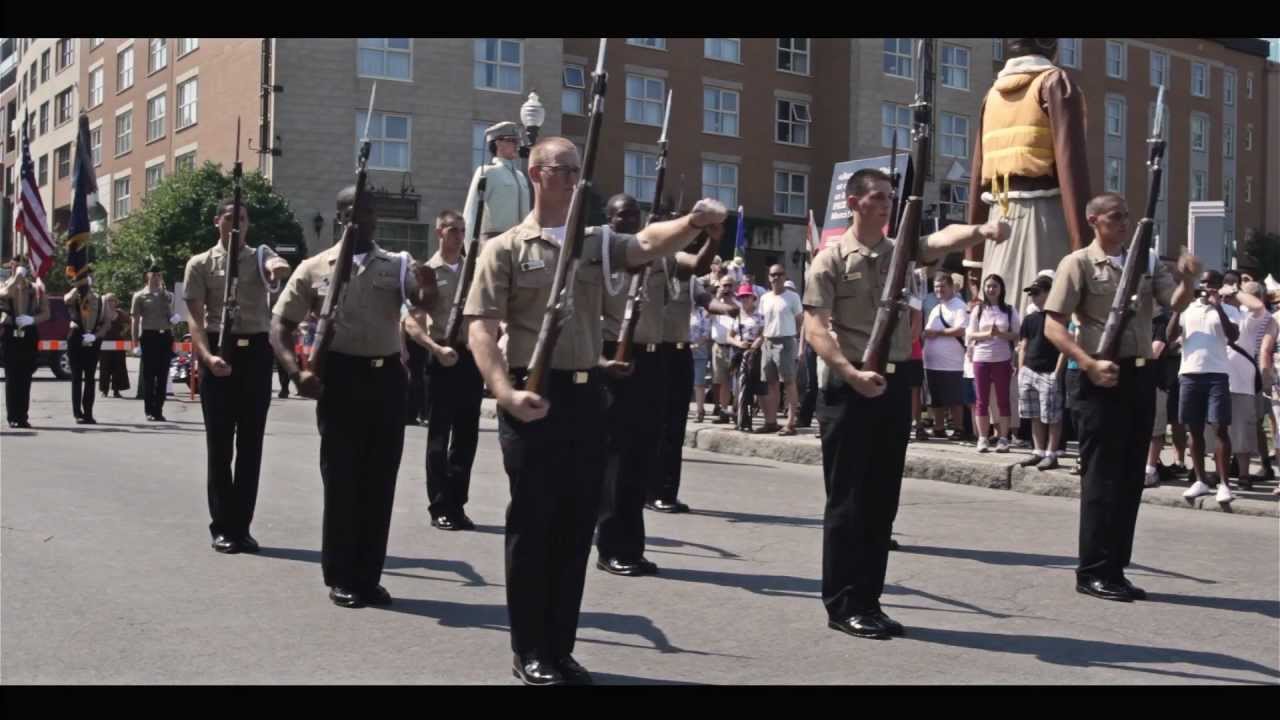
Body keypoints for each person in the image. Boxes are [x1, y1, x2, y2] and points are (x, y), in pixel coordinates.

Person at [462, 136, 726, 685]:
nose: (575, 179)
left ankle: (560, 646)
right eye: (564, 170)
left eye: (579, 170)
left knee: (577, 525)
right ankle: (530, 649)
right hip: (532, 396)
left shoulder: (595, 243)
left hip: (586, 396)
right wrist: (503, 394)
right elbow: (481, 328)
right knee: (534, 526)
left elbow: (647, 242)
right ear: (537, 174)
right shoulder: (507, 248)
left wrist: (693, 222)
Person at [804, 167, 1009, 639]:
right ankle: (842, 602)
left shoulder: (900, 253)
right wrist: (850, 373)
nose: (886, 203)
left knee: (881, 501)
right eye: (877, 196)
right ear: (854, 202)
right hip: (848, 386)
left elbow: (941, 240)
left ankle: (869, 600)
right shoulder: (830, 259)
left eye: (890, 197)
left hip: (895, 385)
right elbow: (815, 327)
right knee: (847, 501)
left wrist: (980, 228)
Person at [270, 184, 438, 607]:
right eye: (348, 210)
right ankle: (341, 574)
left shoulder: (397, 264)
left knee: (380, 481)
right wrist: (296, 371)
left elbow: (421, 301)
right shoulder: (314, 267)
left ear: (375, 215)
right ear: (339, 214)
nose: (356, 218)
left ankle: (369, 575)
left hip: (385, 382)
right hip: (340, 379)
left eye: (364, 210)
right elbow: (280, 326)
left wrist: (428, 287)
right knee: (342, 479)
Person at [1043, 192, 1198, 602]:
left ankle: (1115, 567)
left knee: (1130, 477)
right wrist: (1087, 363)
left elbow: (1175, 303)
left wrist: (1189, 279)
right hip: (1100, 376)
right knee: (1101, 477)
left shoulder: (1143, 261)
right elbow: (1054, 327)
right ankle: (1092, 569)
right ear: (1094, 220)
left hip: (1140, 376)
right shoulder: (1076, 263)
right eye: (1116, 217)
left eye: (1127, 217)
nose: (1124, 223)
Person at [184, 198, 292, 554]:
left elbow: (279, 266)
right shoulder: (200, 264)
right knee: (219, 446)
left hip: (256, 353)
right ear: (218, 221)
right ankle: (222, 525)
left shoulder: (259, 256)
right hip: (219, 350)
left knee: (251, 445)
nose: (237, 224)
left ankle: (242, 525)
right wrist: (208, 357)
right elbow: (195, 320)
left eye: (243, 219)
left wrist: (277, 267)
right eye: (230, 218)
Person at [966, 37, 1090, 308]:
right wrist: (1086, 246)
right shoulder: (1055, 83)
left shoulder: (992, 95)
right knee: (1046, 308)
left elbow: (976, 176)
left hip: (998, 216)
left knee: (999, 307)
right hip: (1045, 215)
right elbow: (1072, 166)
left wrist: (973, 255)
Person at [597, 193, 667, 573]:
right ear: (609, 220)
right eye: (623, 215)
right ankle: (610, 547)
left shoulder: (651, 255)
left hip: (651, 360)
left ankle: (632, 546)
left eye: (635, 215)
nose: (630, 221)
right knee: (617, 459)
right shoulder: (601, 260)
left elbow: (692, 267)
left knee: (641, 456)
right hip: (615, 358)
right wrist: (602, 360)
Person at [411, 209, 484, 531]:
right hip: (443, 356)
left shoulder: (476, 270)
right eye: (452, 229)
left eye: (462, 230)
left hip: (471, 358)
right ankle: (439, 504)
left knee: (467, 437)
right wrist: (435, 348)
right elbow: (411, 321)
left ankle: (458, 503)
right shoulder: (427, 271)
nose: (458, 235)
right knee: (440, 437)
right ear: (439, 232)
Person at [651, 227, 715, 514]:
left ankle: (666, 491)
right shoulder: (650, 268)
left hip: (681, 352)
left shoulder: (690, 281)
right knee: (652, 426)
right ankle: (646, 489)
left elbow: (706, 300)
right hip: (655, 353)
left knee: (675, 428)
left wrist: (725, 308)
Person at [1171, 270, 1238, 505]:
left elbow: (1233, 335)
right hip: (1189, 374)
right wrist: (1178, 308)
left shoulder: (1228, 310)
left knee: (1220, 427)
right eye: (1204, 282)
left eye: (1212, 283)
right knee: (1194, 429)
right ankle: (1199, 480)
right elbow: (1170, 336)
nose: (1206, 285)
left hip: (1217, 375)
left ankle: (1224, 484)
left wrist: (1217, 305)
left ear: (1220, 287)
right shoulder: (1188, 309)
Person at [1219, 280, 1274, 494]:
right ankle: (1219, 473)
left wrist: (1235, 291)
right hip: (1219, 379)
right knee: (1219, 430)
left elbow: (1258, 306)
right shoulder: (1221, 312)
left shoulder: (1250, 317)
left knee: (1243, 431)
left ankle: (1244, 474)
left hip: (1243, 382)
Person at [1015, 275, 1063, 469]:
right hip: (1030, 371)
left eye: (1037, 293)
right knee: (1034, 414)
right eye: (1031, 294)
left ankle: (1051, 453)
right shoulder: (1029, 319)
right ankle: (1038, 451)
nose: (1033, 297)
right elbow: (1023, 345)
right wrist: (1021, 370)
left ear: (1049, 293)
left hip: (1049, 372)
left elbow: (1063, 347)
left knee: (1052, 415)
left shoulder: (1058, 317)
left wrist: (1057, 373)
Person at [968, 273, 1020, 452]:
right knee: (981, 400)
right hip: (981, 358)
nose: (991, 289)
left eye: (995, 286)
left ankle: (1004, 438)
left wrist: (1000, 334)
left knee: (1003, 399)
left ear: (1001, 289)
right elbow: (971, 334)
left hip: (1002, 358)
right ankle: (983, 437)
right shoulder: (978, 309)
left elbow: (1016, 335)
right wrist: (987, 334)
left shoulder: (1010, 310)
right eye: (988, 286)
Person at [0, 257, 49, 428]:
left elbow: (46, 312)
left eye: (23, 267)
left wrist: (32, 320)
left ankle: (23, 416)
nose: (19, 269)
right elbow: (4, 295)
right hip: (10, 335)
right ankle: (13, 416)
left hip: (28, 334)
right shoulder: (4, 285)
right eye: (15, 266)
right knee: (12, 377)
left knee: (25, 377)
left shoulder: (35, 289)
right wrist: (16, 279)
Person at [463, 121, 532, 240]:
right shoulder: (487, 172)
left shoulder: (521, 176)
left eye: (518, 141)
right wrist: (470, 253)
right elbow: (471, 213)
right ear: (498, 143)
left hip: (520, 242)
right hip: (494, 243)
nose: (517, 145)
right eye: (512, 141)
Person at [131, 263, 181, 421]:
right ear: (147, 276)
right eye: (154, 275)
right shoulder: (140, 296)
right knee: (149, 375)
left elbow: (172, 313)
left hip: (165, 337)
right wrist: (135, 344)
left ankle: (158, 410)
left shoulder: (166, 295)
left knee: (163, 375)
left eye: (159, 275)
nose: (156, 278)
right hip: (149, 336)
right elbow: (135, 320)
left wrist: (174, 319)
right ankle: (149, 410)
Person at [923, 272, 969, 439]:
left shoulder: (959, 306)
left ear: (951, 287)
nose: (939, 290)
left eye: (942, 286)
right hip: (932, 362)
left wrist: (937, 333)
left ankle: (958, 428)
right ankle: (939, 427)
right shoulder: (936, 308)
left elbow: (961, 329)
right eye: (936, 286)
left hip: (952, 363)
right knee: (936, 399)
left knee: (955, 398)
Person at [759, 264, 804, 435]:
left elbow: (800, 320)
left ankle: (791, 423)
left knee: (789, 382)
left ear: (785, 276)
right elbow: (762, 321)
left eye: (779, 274)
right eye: (773, 274)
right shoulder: (765, 298)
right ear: (769, 277)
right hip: (767, 341)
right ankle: (771, 422)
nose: (776, 277)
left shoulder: (792, 297)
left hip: (785, 341)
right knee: (771, 383)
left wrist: (794, 338)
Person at [64, 272, 111, 424]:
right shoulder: (74, 296)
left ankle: (88, 413)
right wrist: (78, 286)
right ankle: (77, 413)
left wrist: (96, 336)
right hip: (76, 338)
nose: (86, 282)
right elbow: (66, 300)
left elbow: (106, 323)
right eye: (83, 280)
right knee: (76, 377)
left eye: (88, 279)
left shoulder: (100, 299)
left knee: (90, 378)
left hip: (92, 339)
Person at [731, 285, 765, 432]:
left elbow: (764, 334)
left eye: (747, 296)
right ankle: (740, 419)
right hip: (740, 352)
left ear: (753, 298)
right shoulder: (737, 316)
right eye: (742, 297)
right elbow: (729, 336)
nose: (744, 299)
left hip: (754, 353)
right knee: (740, 387)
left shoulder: (760, 317)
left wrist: (758, 342)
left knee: (751, 387)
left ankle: (747, 420)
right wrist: (739, 343)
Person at [708, 276, 739, 424]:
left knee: (738, 382)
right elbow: (707, 317)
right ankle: (724, 412)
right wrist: (717, 298)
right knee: (723, 382)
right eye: (724, 285)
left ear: (734, 287)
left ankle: (738, 411)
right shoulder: (715, 304)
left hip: (735, 348)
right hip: (719, 347)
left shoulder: (738, 304)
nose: (727, 288)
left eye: (729, 285)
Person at [96, 294, 131, 398]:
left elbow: (130, 322)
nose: (111, 302)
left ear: (116, 302)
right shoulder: (101, 314)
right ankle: (104, 390)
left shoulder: (120, 313)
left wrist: (124, 332)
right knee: (104, 368)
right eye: (108, 300)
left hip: (118, 344)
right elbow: (96, 325)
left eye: (113, 300)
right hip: (105, 344)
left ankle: (116, 390)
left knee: (118, 368)